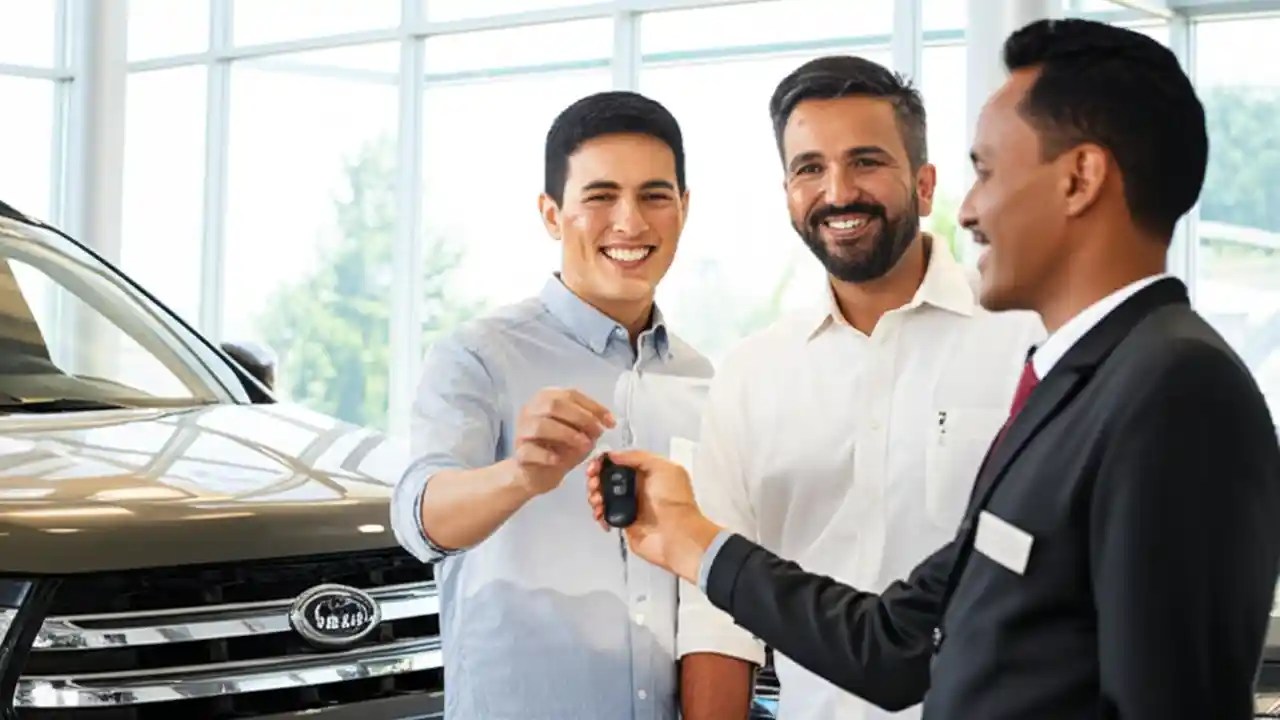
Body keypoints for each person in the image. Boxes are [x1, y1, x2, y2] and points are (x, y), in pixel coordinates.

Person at [587, 18, 1280, 720]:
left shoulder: (1175, 387)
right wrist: (692, 537)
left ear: (1080, 179)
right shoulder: (1074, 385)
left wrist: (696, 541)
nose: (969, 211)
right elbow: (897, 646)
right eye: (809, 168)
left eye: (988, 172)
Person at [675, 55, 1043, 720]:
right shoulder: (751, 374)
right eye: (809, 169)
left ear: (925, 186)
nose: (838, 191)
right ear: (788, 192)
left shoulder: (1026, 342)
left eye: (866, 161)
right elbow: (717, 610)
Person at [391, 90, 713, 720]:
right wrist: (520, 476)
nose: (630, 223)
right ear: (551, 213)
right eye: (601, 196)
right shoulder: (478, 355)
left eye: (654, 196)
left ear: (684, 207)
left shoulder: (701, 380)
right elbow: (419, 521)